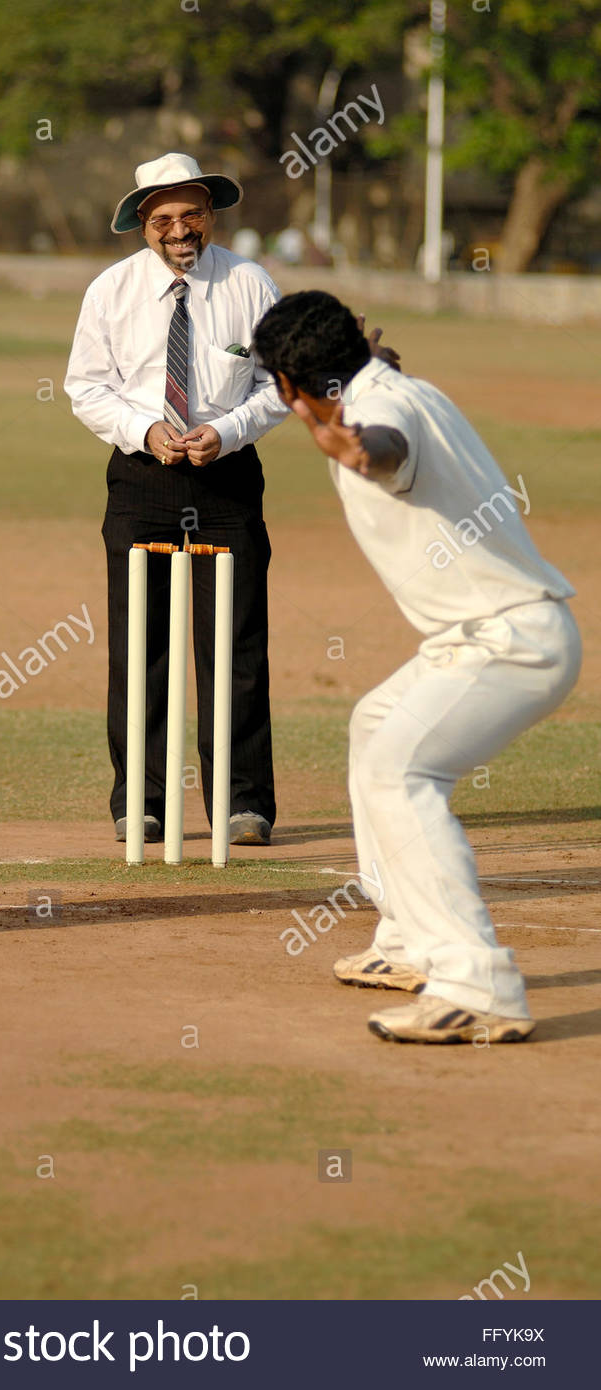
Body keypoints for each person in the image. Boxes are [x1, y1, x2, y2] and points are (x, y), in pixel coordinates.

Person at [253, 290, 581, 1044]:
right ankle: (406, 938)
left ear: (294, 387)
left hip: (507, 641)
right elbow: (383, 413)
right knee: (374, 725)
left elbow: (388, 448)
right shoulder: (393, 385)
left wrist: (358, 451)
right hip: (488, 636)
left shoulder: (377, 416)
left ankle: (477, 983)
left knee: (402, 773)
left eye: (276, 377)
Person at [65, 153, 286, 847]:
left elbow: (278, 384)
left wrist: (226, 430)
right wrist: (144, 429)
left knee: (237, 645)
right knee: (141, 648)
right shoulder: (110, 290)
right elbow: (86, 387)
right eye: (161, 219)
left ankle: (242, 803)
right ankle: (142, 800)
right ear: (140, 225)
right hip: (141, 479)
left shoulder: (250, 282)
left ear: (211, 215)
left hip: (227, 478)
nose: (178, 230)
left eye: (190, 214)